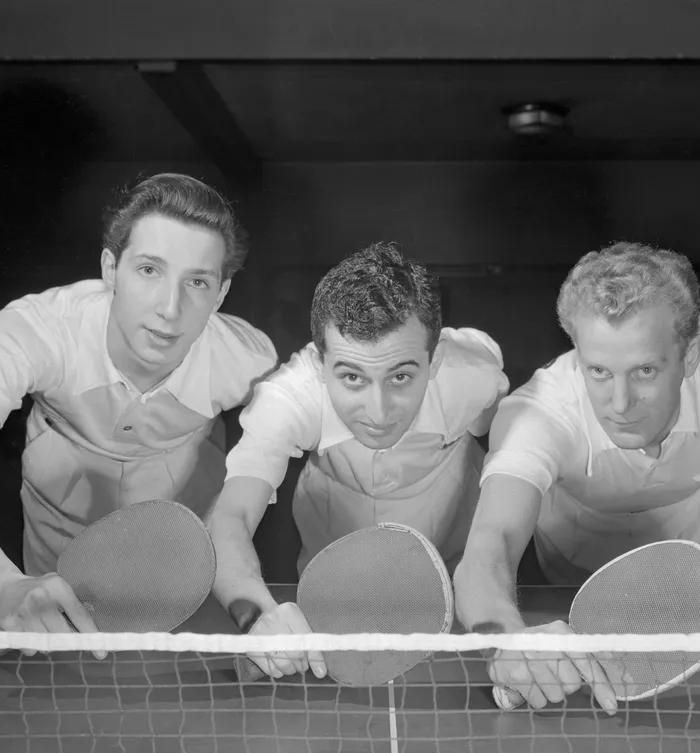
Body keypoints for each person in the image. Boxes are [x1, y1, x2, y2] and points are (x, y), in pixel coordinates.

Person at [0, 173, 277, 646]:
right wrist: (1, 585)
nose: (170, 308)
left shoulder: (248, 362)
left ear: (220, 294)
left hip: (188, 598)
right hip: (56, 606)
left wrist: (253, 604)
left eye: (197, 281)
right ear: (111, 270)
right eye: (150, 270)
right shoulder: (38, 332)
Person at [453, 242, 700, 712]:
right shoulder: (540, 413)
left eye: (645, 370)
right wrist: (506, 642)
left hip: (696, 533)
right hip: (581, 542)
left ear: (690, 356)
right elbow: (490, 544)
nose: (620, 404)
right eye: (599, 371)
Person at [208, 242, 509, 679]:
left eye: (401, 377)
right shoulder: (289, 399)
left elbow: (509, 472)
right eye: (352, 377)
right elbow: (231, 515)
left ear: (436, 359)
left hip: (459, 600)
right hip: (330, 611)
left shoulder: (472, 379)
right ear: (319, 362)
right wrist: (259, 617)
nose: (379, 412)